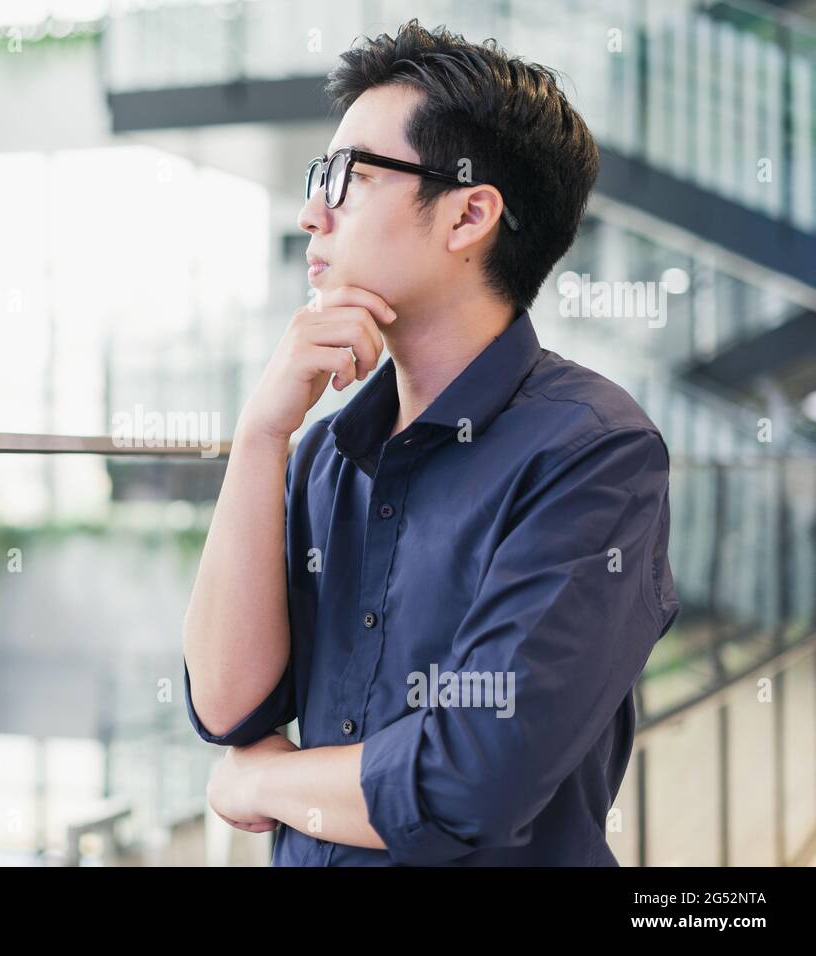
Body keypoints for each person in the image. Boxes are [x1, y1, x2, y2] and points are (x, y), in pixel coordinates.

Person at [181, 19, 680, 865]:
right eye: (316, 177)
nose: (312, 212)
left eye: (347, 177)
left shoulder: (595, 453)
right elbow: (230, 708)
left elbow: (470, 779)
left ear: (468, 215)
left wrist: (261, 783)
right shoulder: (326, 452)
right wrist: (263, 434)